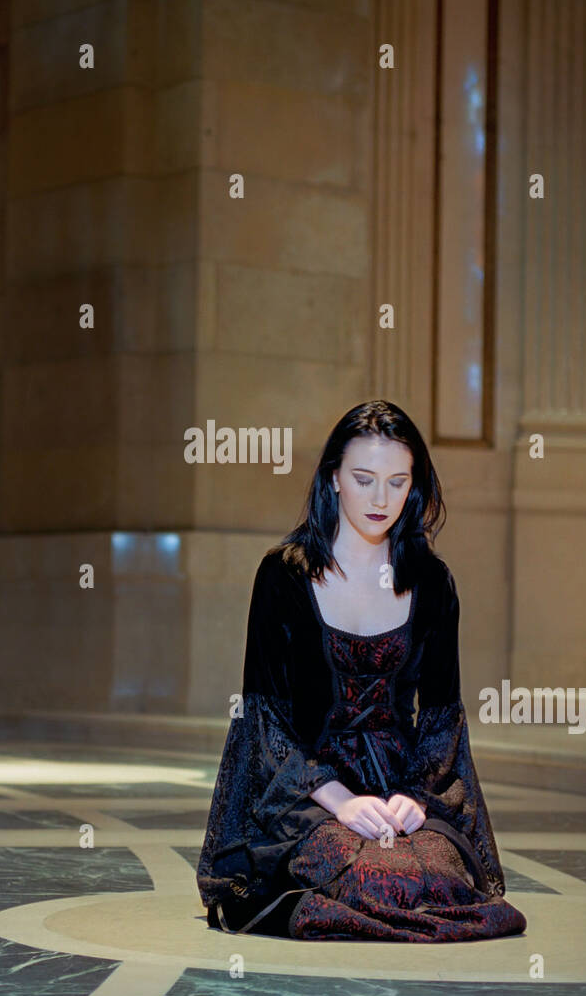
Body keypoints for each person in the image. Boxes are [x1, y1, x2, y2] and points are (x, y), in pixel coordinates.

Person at [196, 399, 527, 942]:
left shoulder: (433, 582)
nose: (380, 499)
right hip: (303, 787)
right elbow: (266, 722)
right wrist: (340, 800)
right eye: (364, 479)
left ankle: (339, 906)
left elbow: (442, 718)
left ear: (414, 486)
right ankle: (307, 902)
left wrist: (417, 796)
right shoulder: (283, 576)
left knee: (436, 880)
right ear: (333, 479)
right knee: (370, 875)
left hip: (399, 784)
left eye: (397, 482)